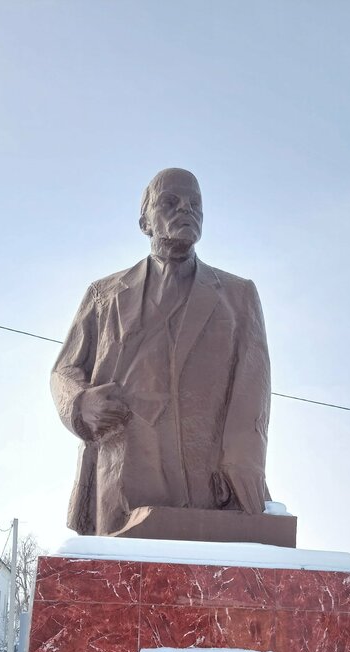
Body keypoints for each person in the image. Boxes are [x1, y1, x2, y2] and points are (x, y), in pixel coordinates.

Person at [51, 168, 272, 536]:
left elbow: (254, 385)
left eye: (195, 204)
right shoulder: (104, 295)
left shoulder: (238, 296)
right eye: (170, 202)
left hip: (206, 475)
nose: (186, 209)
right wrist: (80, 405)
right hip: (122, 465)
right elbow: (64, 370)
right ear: (145, 222)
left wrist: (242, 460)